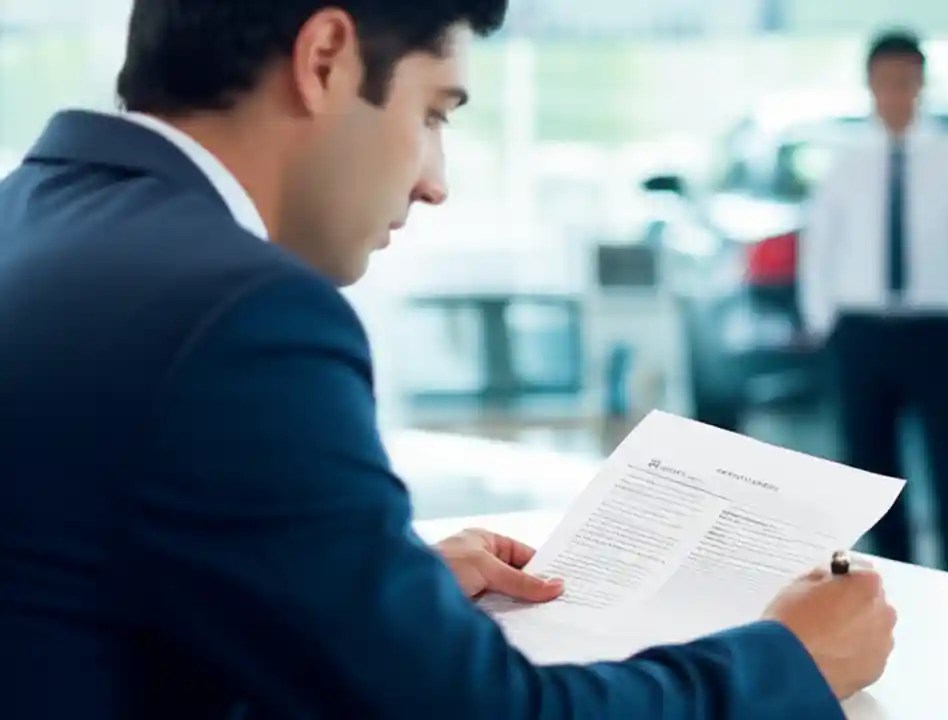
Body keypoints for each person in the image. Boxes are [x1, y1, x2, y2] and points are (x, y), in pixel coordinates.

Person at [0, 1, 897, 717]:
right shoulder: (240, 315)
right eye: (432, 113)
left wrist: (383, 591)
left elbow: (112, 584)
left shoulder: (33, 219)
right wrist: (788, 664)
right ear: (324, 59)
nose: (435, 180)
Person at [799, 30, 948, 581]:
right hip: (862, 334)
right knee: (871, 483)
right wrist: (828, 328)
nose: (895, 92)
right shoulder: (843, 162)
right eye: (884, 81)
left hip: (937, 335)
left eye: (905, 80)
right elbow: (819, 248)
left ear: (921, 83)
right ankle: (889, 595)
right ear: (869, 85)